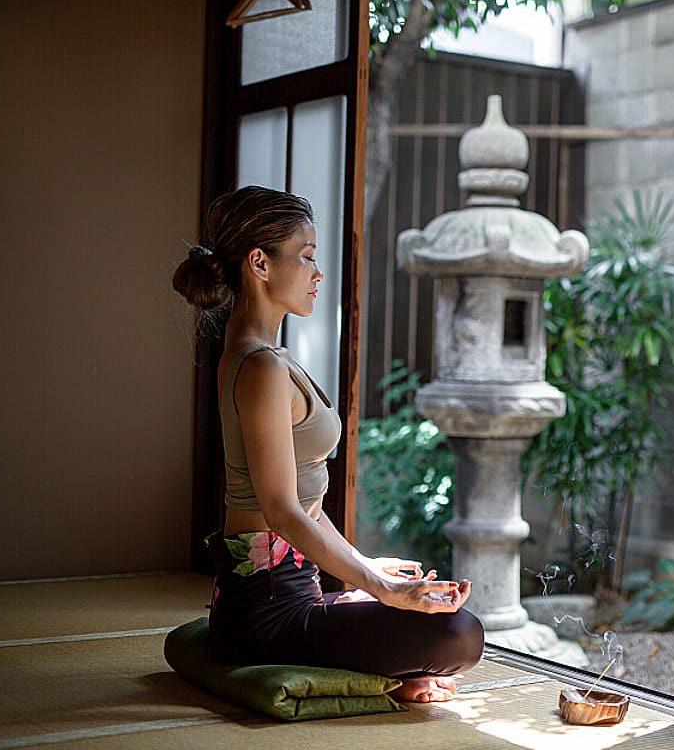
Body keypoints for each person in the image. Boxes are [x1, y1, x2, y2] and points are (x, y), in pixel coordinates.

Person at [172, 185, 483, 703]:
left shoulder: (262, 357)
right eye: (308, 257)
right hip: (265, 615)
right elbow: (282, 513)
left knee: (444, 616)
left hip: (288, 596)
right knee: (460, 635)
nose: (319, 274)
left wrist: (365, 566)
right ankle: (386, 674)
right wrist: (382, 590)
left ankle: (389, 667)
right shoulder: (261, 366)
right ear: (260, 263)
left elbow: (306, 509)